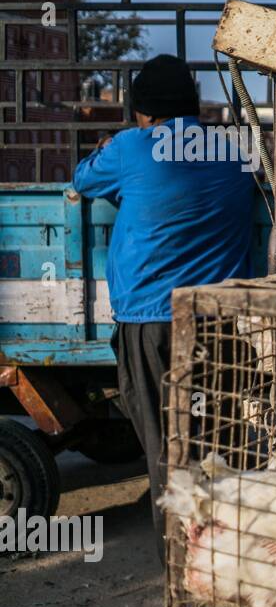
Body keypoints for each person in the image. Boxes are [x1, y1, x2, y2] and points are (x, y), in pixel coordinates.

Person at [73, 54, 255, 559]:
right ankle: (230, 562)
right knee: (219, 442)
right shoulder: (236, 148)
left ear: (144, 112)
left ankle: (182, 571)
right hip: (220, 321)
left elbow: (82, 179)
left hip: (152, 323)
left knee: (166, 450)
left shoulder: (132, 147)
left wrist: (110, 145)